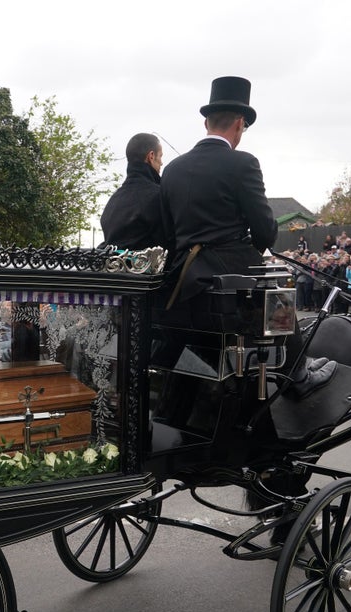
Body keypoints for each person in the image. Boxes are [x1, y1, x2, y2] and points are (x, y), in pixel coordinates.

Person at [157, 76, 333, 395]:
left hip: (184, 282)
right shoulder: (242, 163)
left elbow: (169, 234)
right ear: (239, 124)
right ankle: (299, 374)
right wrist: (244, 246)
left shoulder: (172, 169)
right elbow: (265, 229)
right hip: (229, 280)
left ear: (207, 122)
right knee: (277, 295)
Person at [100, 133, 166, 249]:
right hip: (147, 266)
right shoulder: (158, 196)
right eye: (160, 156)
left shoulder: (114, 199)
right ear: (151, 156)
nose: (161, 162)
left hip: (112, 265)